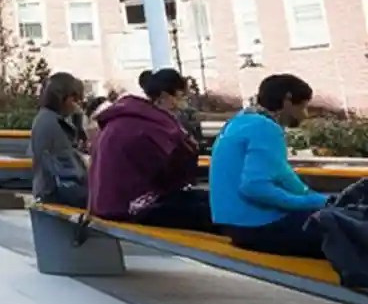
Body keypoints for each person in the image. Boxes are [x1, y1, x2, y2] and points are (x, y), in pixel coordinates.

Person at [210, 74, 329, 258]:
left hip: (235, 224)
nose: (305, 115)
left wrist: (313, 196)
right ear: (288, 100)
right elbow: (254, 187)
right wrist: (310, 202)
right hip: (258, 226)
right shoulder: (265, 128)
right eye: (303, 107)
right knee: (349, 236)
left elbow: (282, 173)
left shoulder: (240, 121)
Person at [89, 68, 214, 232]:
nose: (183, 105)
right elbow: (169, 171)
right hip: (129, 206)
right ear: (164, 96)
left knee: (208, 200)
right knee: (214, 211)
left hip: (111, 201)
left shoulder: (130, 117)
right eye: (181, 97)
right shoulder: (150, 125)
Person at [30, 72, 89, 206]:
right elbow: (66, 167)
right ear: (64, 98)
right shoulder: (52, 123)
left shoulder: (46, 118)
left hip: (49, 187)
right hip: (57, 191)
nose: (76, 105)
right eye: (75, 100)